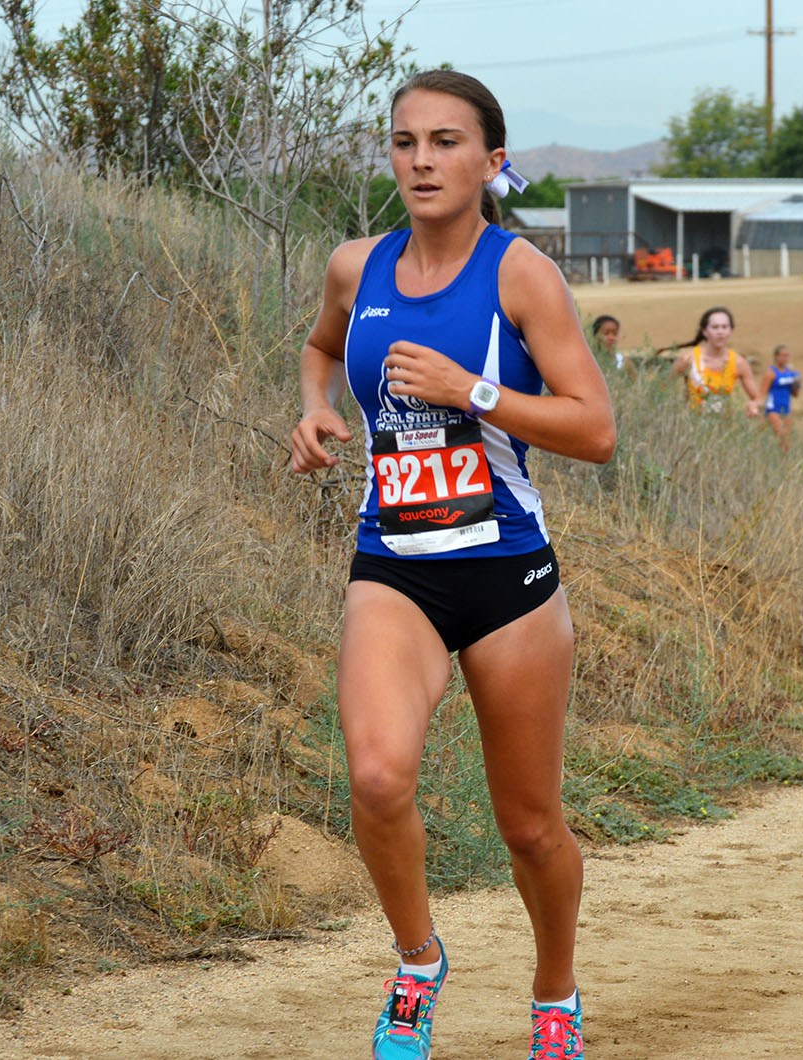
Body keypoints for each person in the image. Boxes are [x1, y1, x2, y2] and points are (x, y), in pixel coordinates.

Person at [288, 68, 615, 1060]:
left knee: (528, 826)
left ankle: (553, 992)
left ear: (490, 161)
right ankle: (417, 960)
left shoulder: (519, 274)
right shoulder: (357, 266)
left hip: (508, 573)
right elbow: (316, 347)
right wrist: (313, 410)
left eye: (445, 142)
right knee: (379, 775)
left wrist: (472, 388)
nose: (422, 161)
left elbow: (595, 429)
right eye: (404, 142)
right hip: (394, 564)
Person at [671, 306, 761, 416]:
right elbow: (661, 388)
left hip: (722, 428)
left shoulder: (739, 363)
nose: (720, 332)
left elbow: (758, 398)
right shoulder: (689, 359)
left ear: (730, 331)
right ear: (704, 331)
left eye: (724, 327)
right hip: (691, 429)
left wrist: (754, 406)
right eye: (715, 327)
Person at [760, 344, 802, 452]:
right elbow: (762, 393)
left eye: (787, 355)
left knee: (787, 440)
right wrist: (761, 410)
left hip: (786, 409)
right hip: (773, 408)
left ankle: (783, 463)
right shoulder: (771, 373)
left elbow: (796, 394)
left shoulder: (790, 374)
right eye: (782, 355)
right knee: (781, 435)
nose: (785, 358)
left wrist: (796, 383)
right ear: (776, 356)